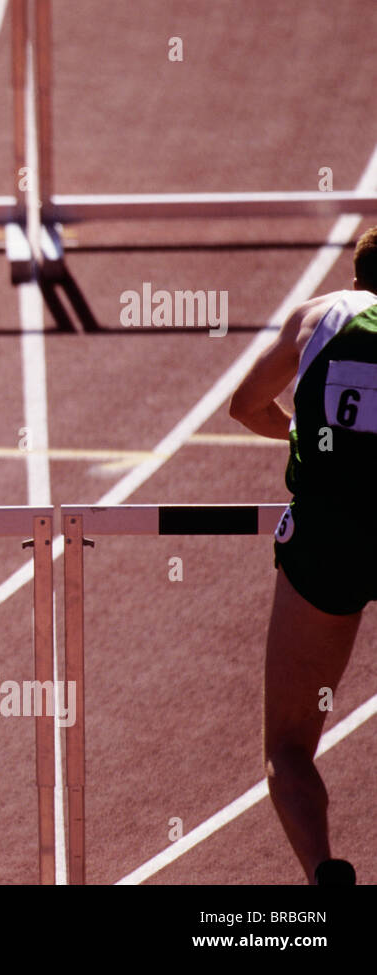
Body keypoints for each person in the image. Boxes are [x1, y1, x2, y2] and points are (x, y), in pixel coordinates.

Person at [228, 226, 377, 885]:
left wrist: (305, 432)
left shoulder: (318, 316)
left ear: (357, 279)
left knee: (288, 746)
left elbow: (245, 406)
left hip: (325, 539)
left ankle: (323, 870)